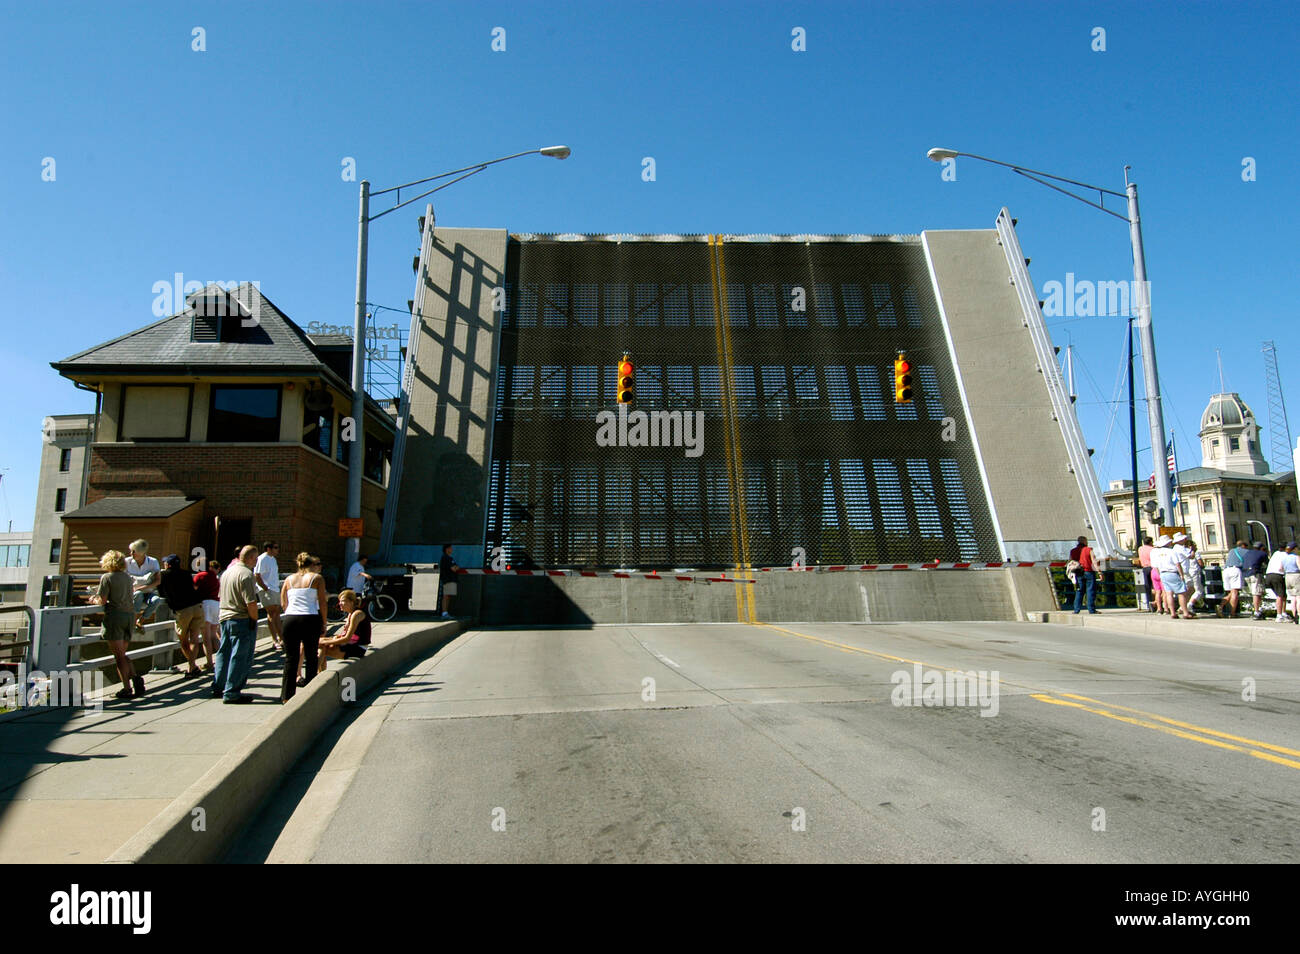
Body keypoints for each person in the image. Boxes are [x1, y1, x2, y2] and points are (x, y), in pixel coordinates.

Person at [89, 549, 146, 700]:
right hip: (129, 616)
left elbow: (102, 600)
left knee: (119, 656)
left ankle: (127, 688)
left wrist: (93, 599)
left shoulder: (107, 577)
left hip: (115, 616)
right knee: (123, 653)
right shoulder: (127, 578)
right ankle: (136, 679)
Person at [278, 552, 328, 703]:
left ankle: (287, 696)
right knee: (311, 656)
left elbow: (283, 602)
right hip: (310, 617)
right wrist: (324, 622)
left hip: (290, 618)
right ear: (311, 565)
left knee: (290, 658)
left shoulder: (289, 579)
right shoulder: (316, 578)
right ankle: (310, 694)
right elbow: (322, 602)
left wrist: (290, 613)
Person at [214, 545, 260, 704]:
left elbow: (220, 596)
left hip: (224, 617)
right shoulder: (246, 575)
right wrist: (254, 620)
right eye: (256, 559)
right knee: (240, 656)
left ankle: (218, 686)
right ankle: (232, 692)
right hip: (241, 618)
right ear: (251, 558)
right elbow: (251, 602)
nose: (256, 562)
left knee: (223, 653)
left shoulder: (227, 572)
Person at [157, 554, 204, 678]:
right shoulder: (186, 573)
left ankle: (192, 667)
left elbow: (161, 591)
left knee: (183, 640)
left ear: (168, 564)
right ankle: (193, 667)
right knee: (194, 639)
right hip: (197, 606)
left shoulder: (164, 575)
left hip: (183, 610)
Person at [319, 588, 369, 670]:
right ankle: (317, 675)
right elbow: (344, 636)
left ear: (351, 602)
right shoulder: (350, 614)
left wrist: (326, 641)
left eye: (342, 601)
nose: (339, 604)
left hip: (358, 648)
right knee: (321, 645)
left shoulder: (357, 614)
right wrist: (325, 640)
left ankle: (314, 675)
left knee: (322, 647)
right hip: (351, 644)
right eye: (339, 601)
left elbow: (347, 638)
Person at [125, 539, 163, 632]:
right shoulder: (127, 562)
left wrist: (143, 588)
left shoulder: (153, 562)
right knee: (138, 595)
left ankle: (141, 621)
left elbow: (158, 581)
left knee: (156, 600)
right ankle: (133, 623)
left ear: (141, 552)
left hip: (148, 591)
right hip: (132, 592)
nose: (131, 553)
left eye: (134, 551)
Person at [255, 542, 284, 651]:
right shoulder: (262, 559)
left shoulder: (273, 560)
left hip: (275, 588)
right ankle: (275, 640)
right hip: (267, 589)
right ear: (268, 548)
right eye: (275, 548)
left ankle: (281, 638)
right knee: (272, 613)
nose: (277, 550)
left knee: (276, 613)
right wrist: (265, 588)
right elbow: (257, 575)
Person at [193, 559, 222, 666]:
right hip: (216, 604)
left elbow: (194, 589)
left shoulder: (200, 575)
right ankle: (224, 658)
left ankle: (209, 662)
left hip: (205, 605)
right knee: (214, 635)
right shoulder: (214, 577)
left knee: (206, 637)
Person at [1068, 536, 1097, 615]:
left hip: (1078, 573)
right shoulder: (1089, 549)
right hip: (1089, 572)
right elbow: (1094, 560)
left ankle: (1076, 610)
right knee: (1090, 591)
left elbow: (1070, 562)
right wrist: (1099, 572)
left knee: (1079, 591)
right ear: (1084, 541)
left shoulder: (1073, 551)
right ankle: (1091, 610)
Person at [1264, 543, 1292, 623]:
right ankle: (1279, 615)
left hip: (1269, 574)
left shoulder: (1275, 554)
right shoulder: (1285, 555)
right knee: (1280, 595)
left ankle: (1283, 613)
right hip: (1277, 575)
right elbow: (1282, 567)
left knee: (1283, 595)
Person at [1220, 540, 1247, 618]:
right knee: (1235, 592)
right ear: (1243, 546)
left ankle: (1221, 606)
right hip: (1235, 570)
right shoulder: (1245, 551)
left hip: (1226, 570)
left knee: (1230, 593)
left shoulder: (1232, 551)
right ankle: (1232, 613)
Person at [1242, 541, 1269, 620]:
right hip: (1255, 574)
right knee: (1256, 593)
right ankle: (1256, 611)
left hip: (1246, 574)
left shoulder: (1247, 553)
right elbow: (1268, 564)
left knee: (1253, 593)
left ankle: (1255, 609)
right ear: (1261, 548)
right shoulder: (1262, 553)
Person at [439, 543, 460, 619]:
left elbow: (455, 567)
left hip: (450, 579)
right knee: (446, 596)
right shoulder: (446, 558)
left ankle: (445, 612)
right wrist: (456, 567)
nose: (452, 549)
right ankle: (444, 613)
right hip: (448, 579)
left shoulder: (449, 558)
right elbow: (454, 568)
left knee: (448, 596)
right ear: (447, 549)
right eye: (450, 548)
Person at [1185, 539, 1206, 613]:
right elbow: (1201, 563)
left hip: (1187, 572)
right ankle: (1190, 604)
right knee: (1199, 590)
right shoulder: (1195, 553)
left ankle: (1182, 607)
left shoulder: (1183, 552)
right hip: (1195, 572)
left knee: (1189, 590)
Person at [1137, 536, 1156, 612]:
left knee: (1147, 587)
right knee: (1155, 587)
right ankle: (1156, 603)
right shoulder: (1152, 549)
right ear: (1150, 542)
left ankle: (1149, 603)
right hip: (1152, 568)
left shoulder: (1140, 549)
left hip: (1144, 568)